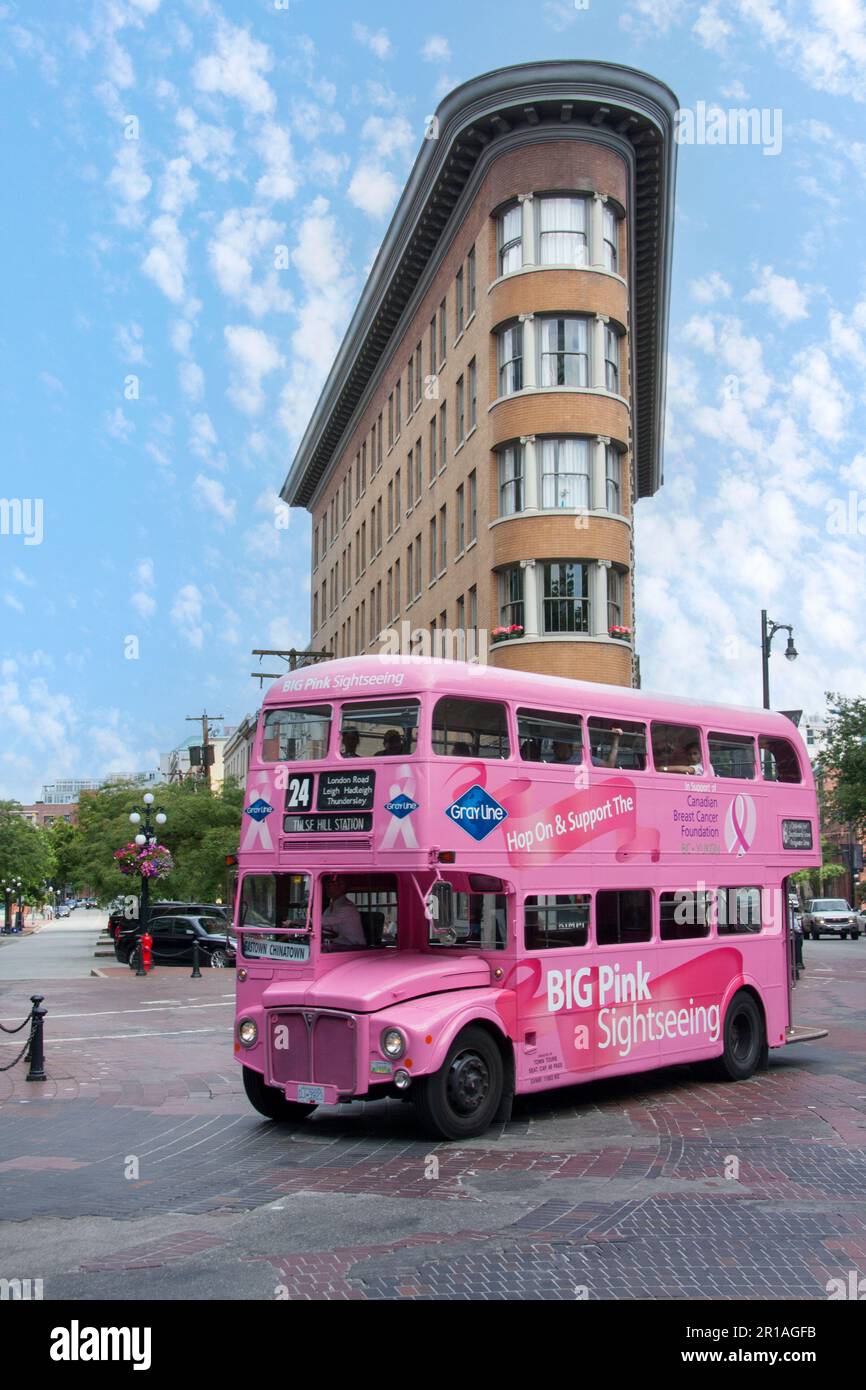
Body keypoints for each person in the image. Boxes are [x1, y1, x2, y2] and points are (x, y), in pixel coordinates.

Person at [321, 875, 365, 949]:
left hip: (354, 947)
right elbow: (325, 927)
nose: (327, 888)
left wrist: (304, 922)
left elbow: (324, 921)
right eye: (327, 885)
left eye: (330, 885)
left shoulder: (347, 908)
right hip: (339, 943)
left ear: (342, 886)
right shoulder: (329, 909)